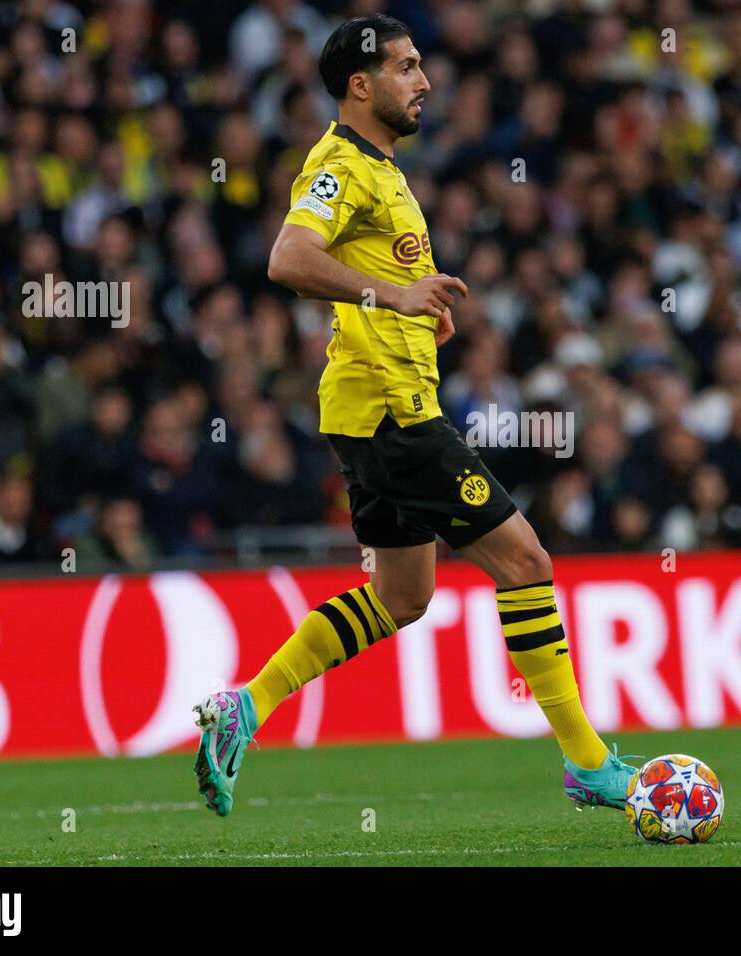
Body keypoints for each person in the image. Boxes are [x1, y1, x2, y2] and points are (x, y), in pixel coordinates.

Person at [190, 16, 636, 818]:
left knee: (400, 597)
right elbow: (287, 258)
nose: (425, 81)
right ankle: (586, 761)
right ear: (361, 84)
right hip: (392, 414)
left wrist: (417, 306)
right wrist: (394, 296)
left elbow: (375, 269)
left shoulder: (383, 169)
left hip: (378, 408)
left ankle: (245, 707)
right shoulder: (336, 165)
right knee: (527, 562)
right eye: (406, 66)